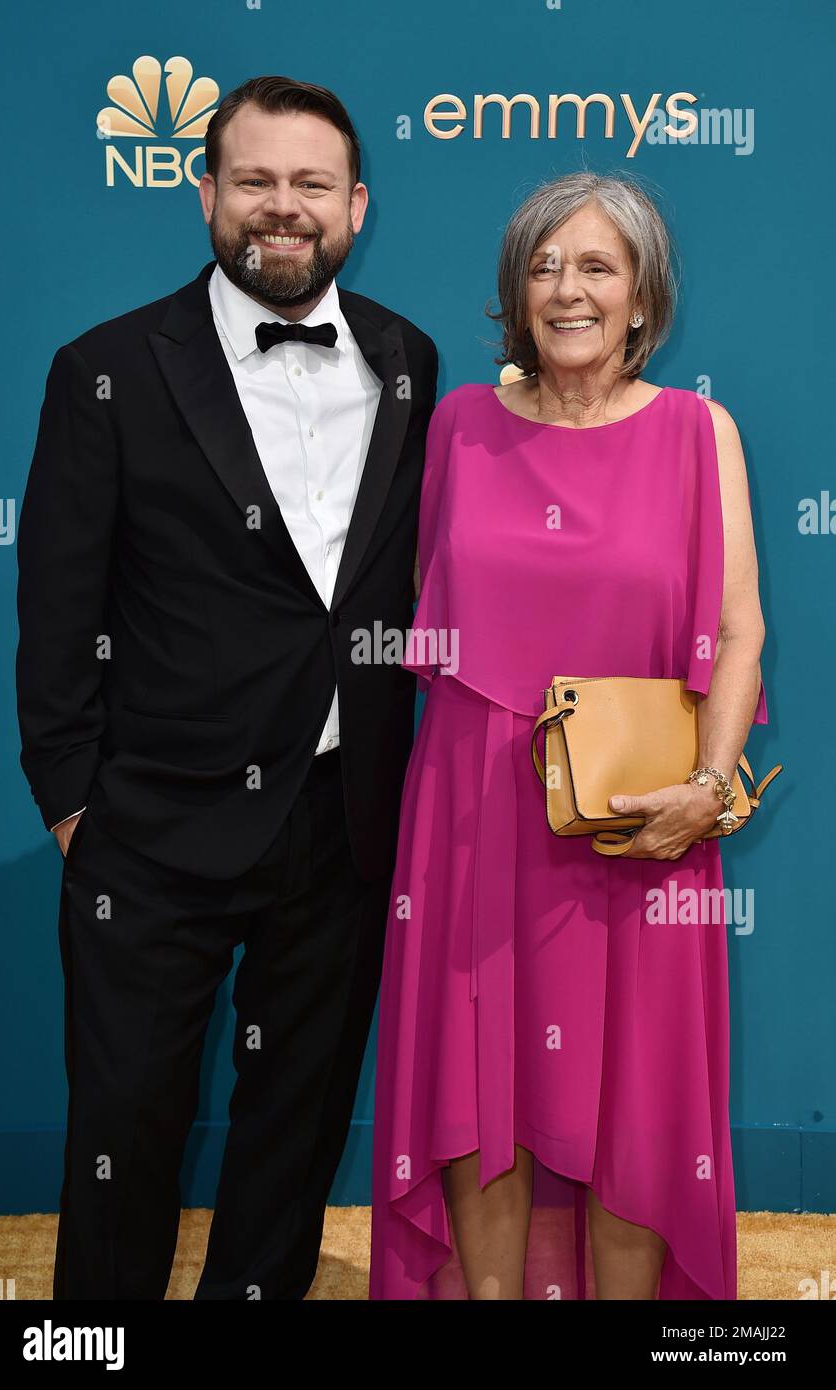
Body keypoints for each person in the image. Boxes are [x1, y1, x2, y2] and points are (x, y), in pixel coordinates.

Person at [15, 74, 438, 1300]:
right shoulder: (105, 369)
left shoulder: (408, 362)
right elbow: (57, 607)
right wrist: (76, 806)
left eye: (310, 184)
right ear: (205, 192)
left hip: (343, 823)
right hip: (151, 826)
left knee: (291, 1139)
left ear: (355, 205)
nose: (281, 208)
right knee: (121, 1141)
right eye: (254, 179)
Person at [369, 171, 768, 1300]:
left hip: (637, 821)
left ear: (642, 299)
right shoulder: (455, 427)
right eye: (542, 267)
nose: (566, 290)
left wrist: (705, 786)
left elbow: (737, 633)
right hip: (467, 819)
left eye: (595, 266)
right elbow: (420, 603)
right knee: (474, 1087)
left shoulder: (699, 432)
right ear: (513, 294)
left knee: (635, 1105)